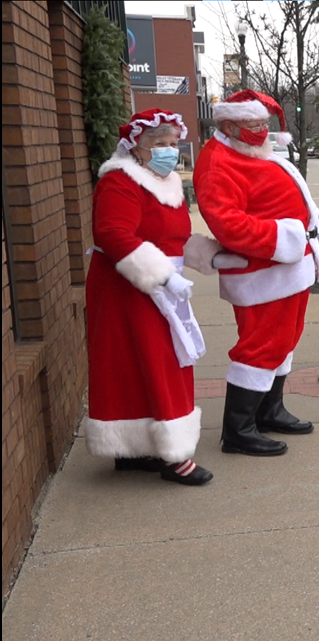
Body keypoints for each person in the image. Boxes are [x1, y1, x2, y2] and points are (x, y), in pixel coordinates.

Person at [86, 109, 217, 485]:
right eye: (160, 144)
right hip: (129, 289)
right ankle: (174, 456)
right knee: (156, 362)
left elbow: (172, 240)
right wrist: (161, 276)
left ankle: (138, 449)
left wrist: (214, 256)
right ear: (137, 148)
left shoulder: (168, 183)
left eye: (174, 144)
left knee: (154, 362)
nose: (169, 151)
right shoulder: (120, 182)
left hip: (162, 287)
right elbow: (112, 233)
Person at [193, 90, 319, 457]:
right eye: (252, 125)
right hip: (263, 272)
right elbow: (228, 225)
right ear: (229, 125)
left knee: (284, 340)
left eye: (263, 124)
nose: (261, 131)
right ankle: (238, 429)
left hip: (288, 267)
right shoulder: (217, 162)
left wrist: (311, 221)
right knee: (260, 345)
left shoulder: (247, 150)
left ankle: (269, 409)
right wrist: (285, 238)